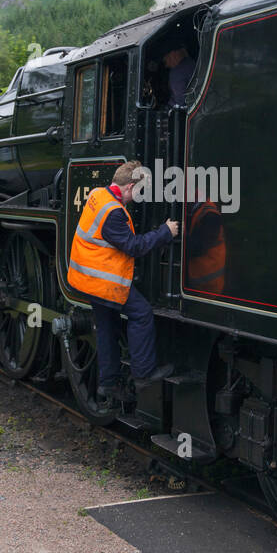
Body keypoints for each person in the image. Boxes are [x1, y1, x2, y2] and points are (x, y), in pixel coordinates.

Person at [67, 160, 179, 399]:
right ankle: (144, 373)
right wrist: (164, 232)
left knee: (106, 326)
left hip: (87, 276)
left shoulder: (99, 194)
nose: (138, 197)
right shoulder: (113, 212)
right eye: (139, 191)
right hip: (102, 280)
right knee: (141, 313)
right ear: (129, 187)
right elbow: (133, 246)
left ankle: (108, 383)